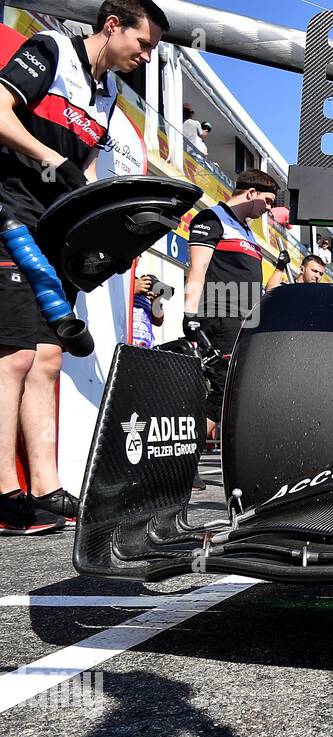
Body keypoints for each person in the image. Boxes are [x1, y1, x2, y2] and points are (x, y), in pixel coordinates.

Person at [0, 0, 168, 534]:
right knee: (12, 359)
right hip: (9, 215)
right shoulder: (50, 50)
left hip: (54, 231)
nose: (145, 57)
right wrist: (51, 160)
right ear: (112, 25)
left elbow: (90, 174)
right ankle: (4, 492)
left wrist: (104, 236)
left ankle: (45, 489)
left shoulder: (111, 91)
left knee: (48, 356)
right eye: (142, 44)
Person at [183, 169, 289, 437]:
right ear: (250, 193)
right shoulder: (211, 218)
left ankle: (187, 464)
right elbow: (197, 268)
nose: (268, 209)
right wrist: (189, 313)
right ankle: (183, 464)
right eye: (267, 201)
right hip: (220, 315)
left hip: (244, 320)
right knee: (220, 392)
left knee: (231, 396)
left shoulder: (247, 231)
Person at [130, 273, 166, 347]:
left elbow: (158, 322)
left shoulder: (144, 291)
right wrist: (132, 290)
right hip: (121, 344)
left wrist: (156, 302)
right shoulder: (115, 280)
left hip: (145, 349)